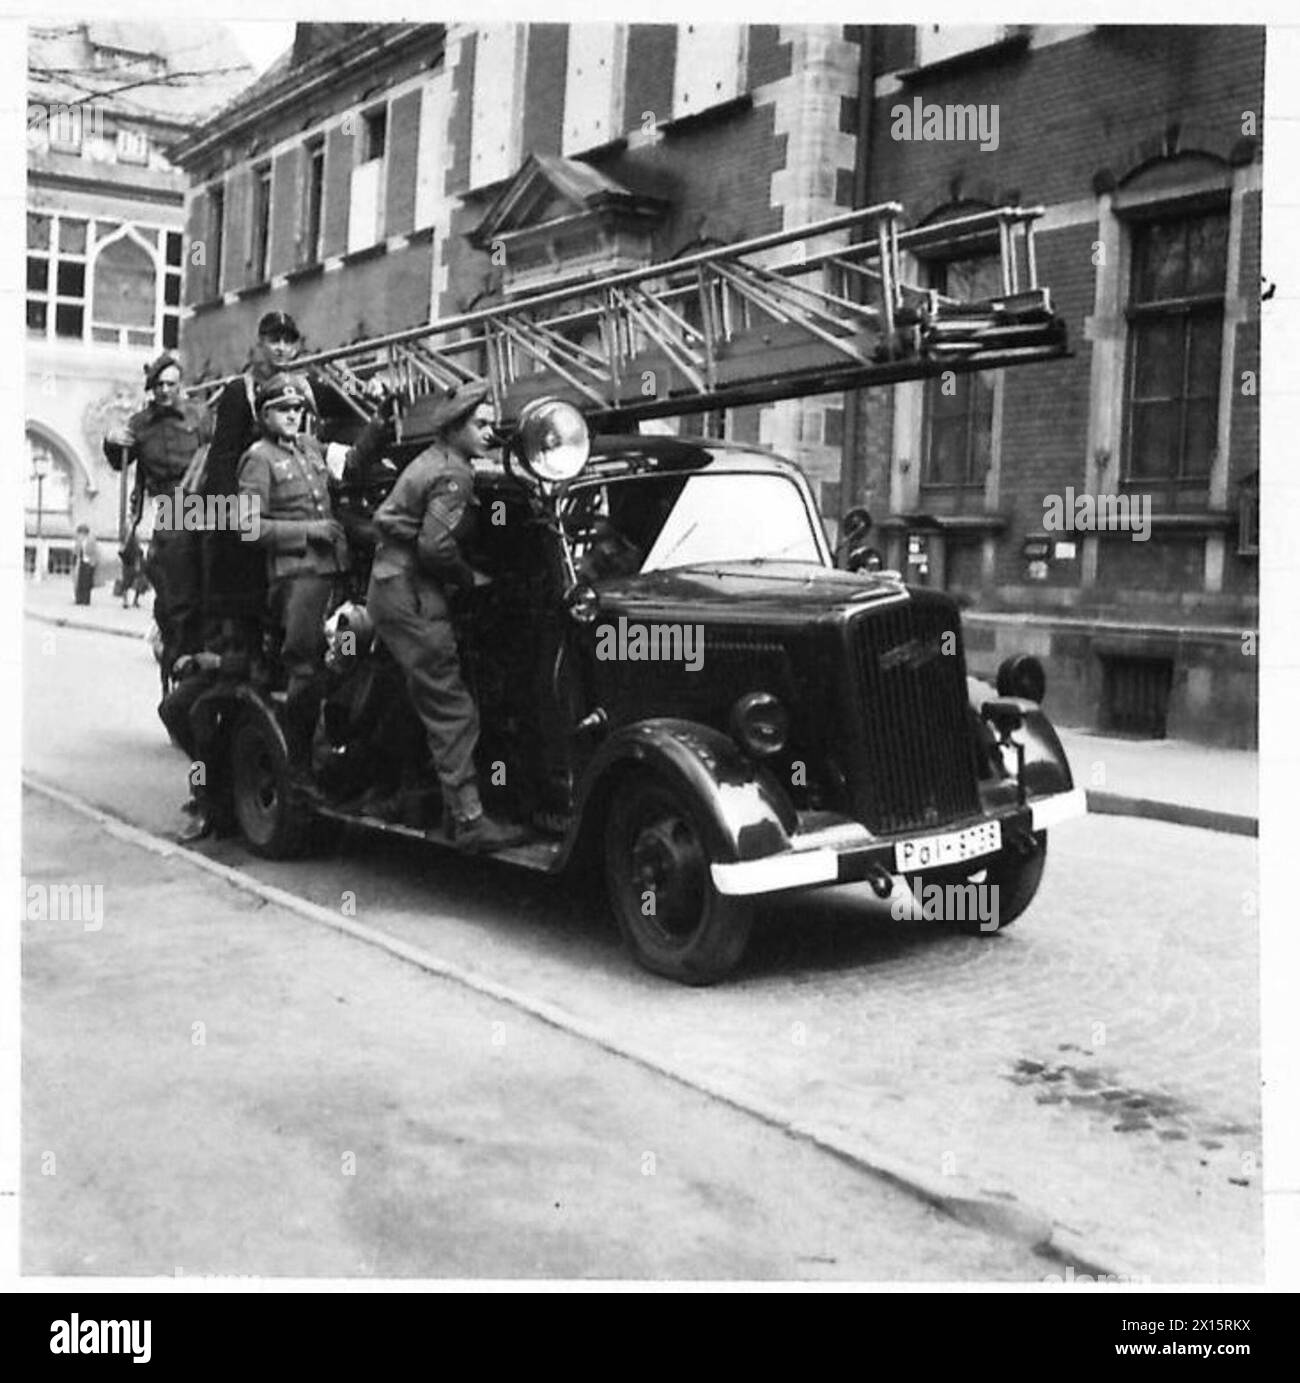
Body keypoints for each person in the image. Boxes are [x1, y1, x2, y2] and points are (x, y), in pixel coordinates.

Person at [367, 381, 526, 853]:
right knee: (452, 708)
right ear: (455, 427)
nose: (488, 432)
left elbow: (396, 522)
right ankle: (470, 818)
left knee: (412, 696)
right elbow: (435, 546)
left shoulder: (435, 460)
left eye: (492, 424)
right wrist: (469, 579)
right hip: (413, 592)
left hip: (392, 586)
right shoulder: (456, 474)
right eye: (479, 424)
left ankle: (408, 796)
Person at [237, 371, 392, 773]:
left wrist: (379, 425)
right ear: (265, 417)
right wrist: (310, 531)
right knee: (304, 666)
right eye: (281, 410)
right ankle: (299, 762)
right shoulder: (258, 458)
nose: (291, 416)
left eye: (296, 409)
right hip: (297, 577)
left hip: (333, 571)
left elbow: (352, 464)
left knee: (348, 647)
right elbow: (248, 528)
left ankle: (336, 742)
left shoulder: (309, 448)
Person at [103, 353, 212, 678]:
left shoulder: (200, 414)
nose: (165, 391)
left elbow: (219, 452)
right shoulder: (140, 424)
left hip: (207, 500)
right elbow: (118, 459)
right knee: (176, 580)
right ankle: (180, 646)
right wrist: (111, 441)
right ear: (152, 387)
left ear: (181, 385)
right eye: (159, 385)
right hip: (168, 506)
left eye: (171, 384)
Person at [72, 525, 98, 605]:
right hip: (82, 563)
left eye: (80, 534)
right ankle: (79, 599)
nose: (79, 536)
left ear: (84, 533)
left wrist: (93, 563)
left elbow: (94, 553)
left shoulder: (91, 541)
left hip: (89, 563)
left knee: (87, 583)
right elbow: (76, 552)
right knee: (80, 582)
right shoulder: (79, 541)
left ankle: (86, 599)